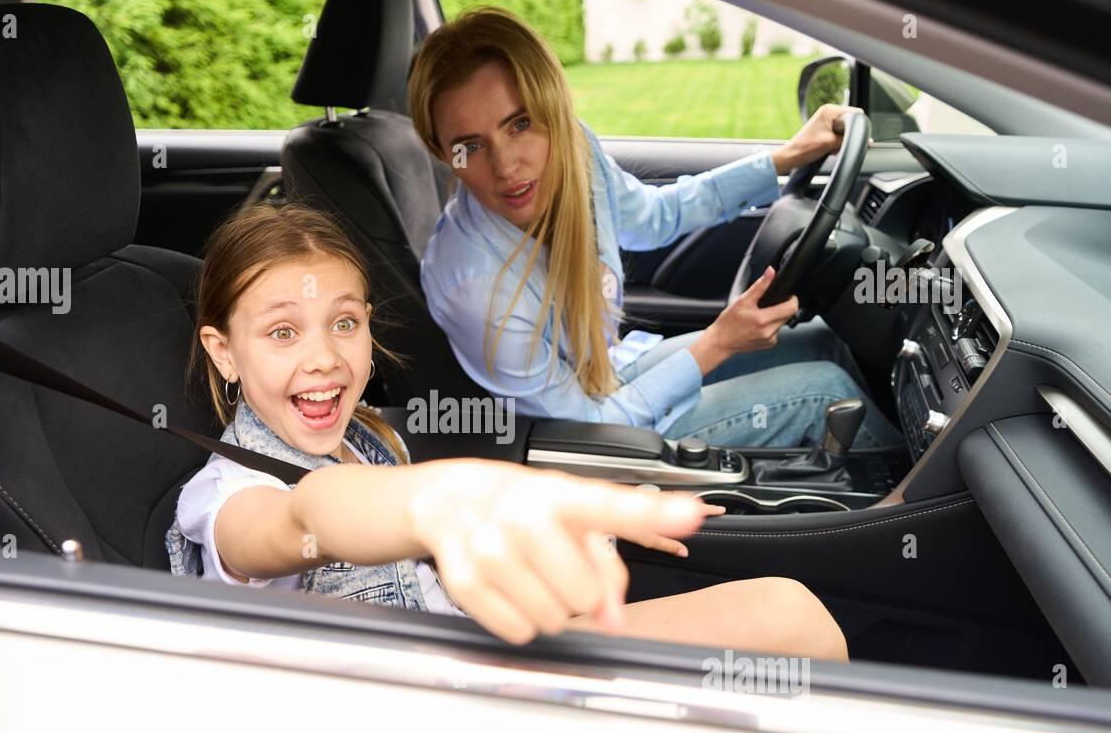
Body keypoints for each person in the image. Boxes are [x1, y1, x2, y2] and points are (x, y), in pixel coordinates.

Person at [165, 202, 847, 659]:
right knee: (790, 621)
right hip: (408, 720)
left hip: (473, 647)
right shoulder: (228, 498)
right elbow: (302, 517)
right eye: (282, 332)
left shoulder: (369, 437)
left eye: (344, 323)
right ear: (224, 352)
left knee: (789, 614)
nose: (323, 357)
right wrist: (438, 503)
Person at [410, 6, 902, 449]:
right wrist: (718, 343)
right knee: (825, 393)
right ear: (442, 154)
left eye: (520, 124)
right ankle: (921, 510)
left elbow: (655, 217)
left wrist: (783, 159)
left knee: (822, 341)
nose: (506, 166)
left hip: (609, 373)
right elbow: (590, 427)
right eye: (470, 146)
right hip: (578, 442)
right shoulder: (474, 287)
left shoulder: (574, 151)